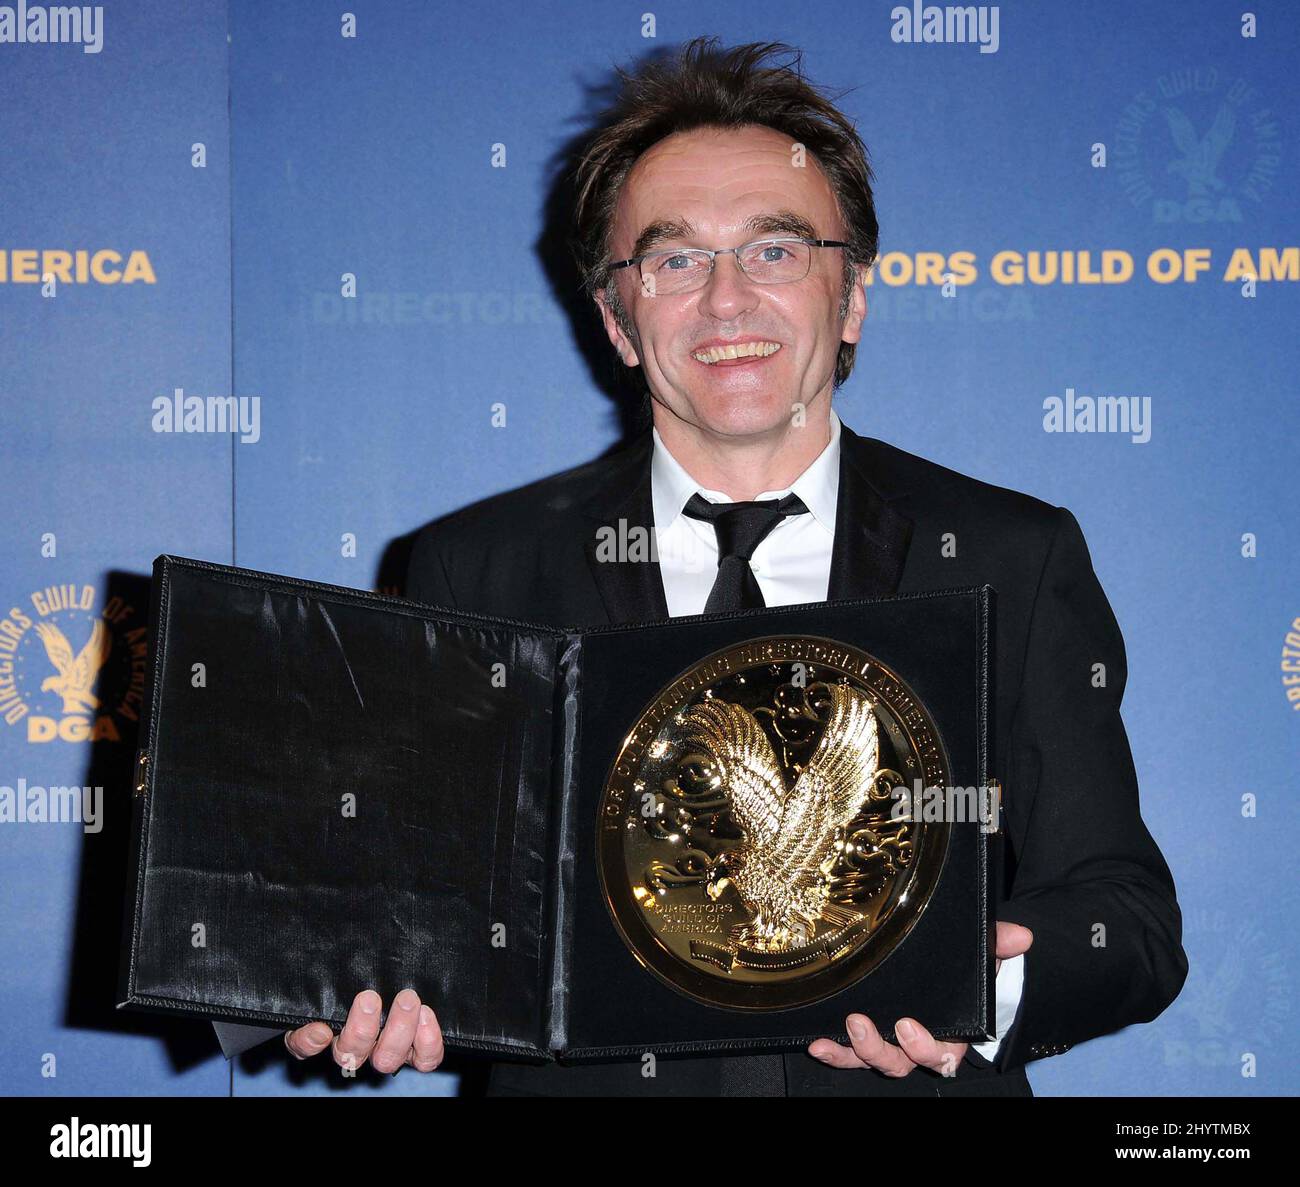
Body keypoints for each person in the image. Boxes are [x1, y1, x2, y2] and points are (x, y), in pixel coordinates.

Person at [246, 37, 1186, 1096]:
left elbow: (1126, 915)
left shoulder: (1012, 553)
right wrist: (372, 983)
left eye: (776, 250)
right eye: (675, 258)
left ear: (854, 295)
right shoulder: (476, 568)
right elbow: (414, 910)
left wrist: (984, 990)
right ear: (617, 318)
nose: (727, 301)